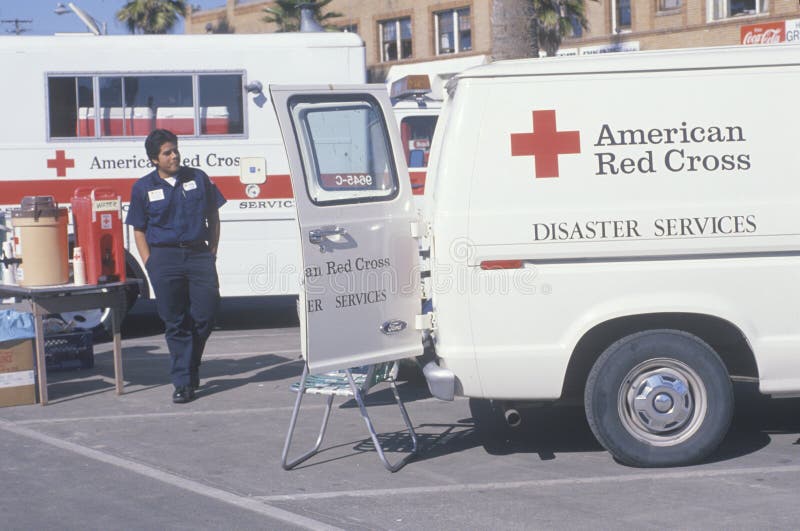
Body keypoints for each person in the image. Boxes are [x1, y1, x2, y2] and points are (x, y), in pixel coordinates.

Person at [125, 129, 226, 403]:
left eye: (175, 150)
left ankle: (189, 365)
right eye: (167, 152)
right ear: (154, 159)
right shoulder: (142, 187)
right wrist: (149, 263)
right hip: (164, 259)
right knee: (176, 322)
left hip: (198, 256)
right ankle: (183, 382)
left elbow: (213, 217)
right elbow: (139, 229)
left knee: (206, 314)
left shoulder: (198, 178)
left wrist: (212, 252)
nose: (174, 155)